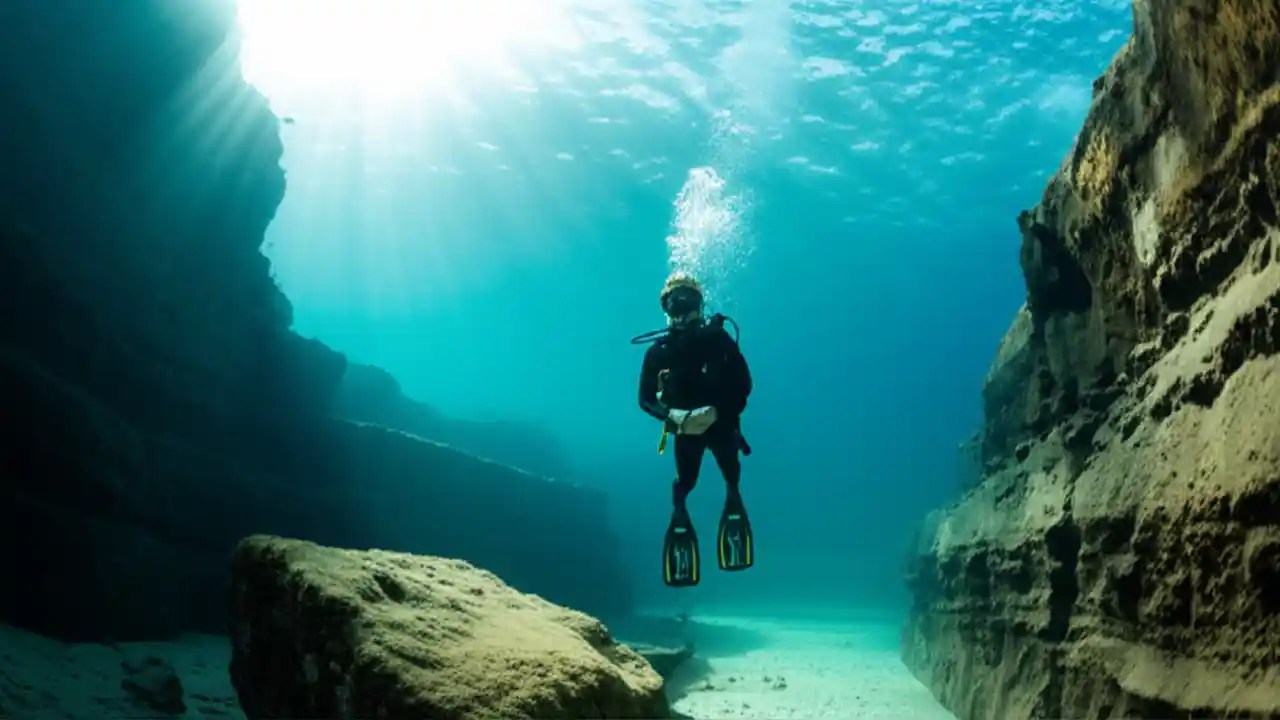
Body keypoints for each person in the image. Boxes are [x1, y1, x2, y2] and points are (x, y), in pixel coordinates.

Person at [635, 271, 754, 586]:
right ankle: (681, 510)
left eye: (689, 303)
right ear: (667, 308)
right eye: (676, 304)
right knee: (686, 481)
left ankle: (731, 495)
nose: (683, 311)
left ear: (700, 307)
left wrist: (720, 413)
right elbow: (645, 399)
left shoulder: (718, 340)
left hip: (721, 425)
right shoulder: (659, 352)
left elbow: (743, 384)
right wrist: (674, 417)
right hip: (686, 429)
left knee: (729, 472)